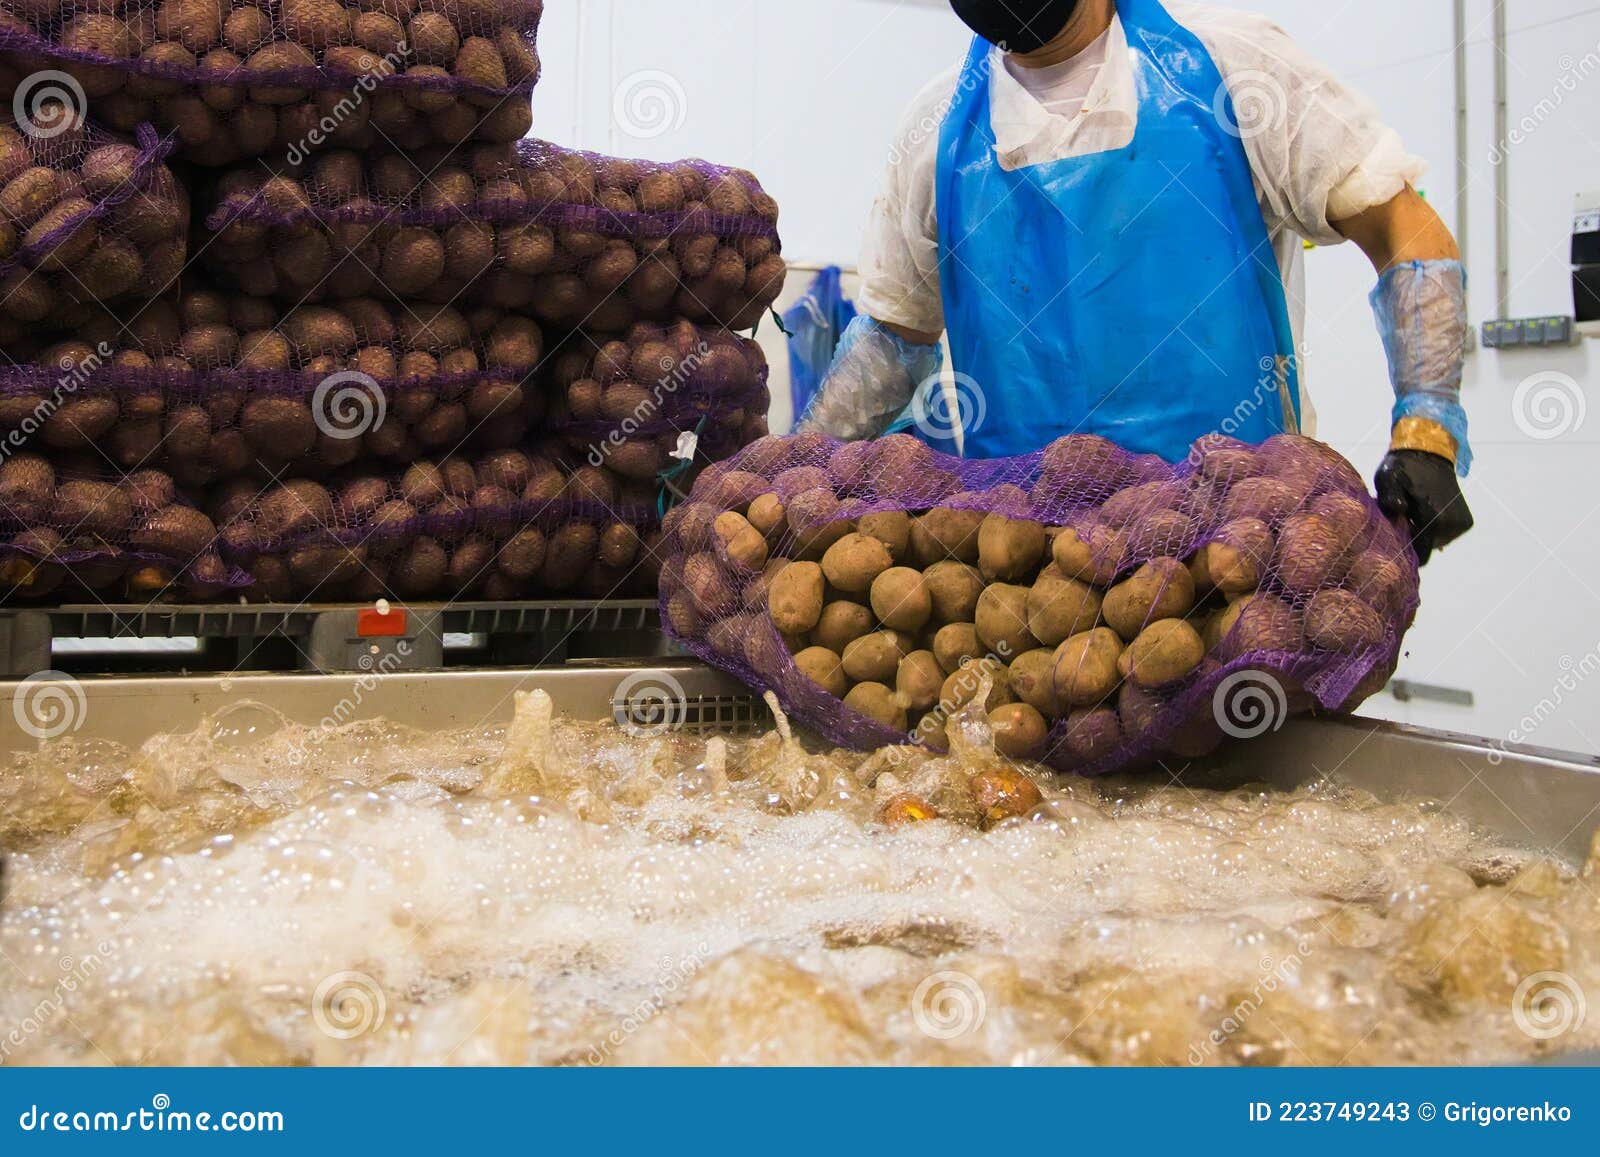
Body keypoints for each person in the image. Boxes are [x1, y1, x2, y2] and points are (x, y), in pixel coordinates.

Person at [799, 0, 1473, 564]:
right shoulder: (936, 128)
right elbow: (890, 343)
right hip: (1027, 578)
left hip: (1239, 553)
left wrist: (1426, 429)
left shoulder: (1231, 67)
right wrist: (790, 477)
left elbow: (1404, 228)